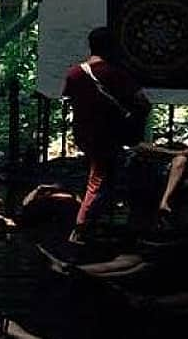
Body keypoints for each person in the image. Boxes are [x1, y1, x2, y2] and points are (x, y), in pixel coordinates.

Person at [62, 27, 150, 243]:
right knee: (99, 180)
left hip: (84, 134)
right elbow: (143, 103)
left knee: (101, 176)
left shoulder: (74, 73)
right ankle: (81, 228)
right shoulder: (115, 74)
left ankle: (92, 224)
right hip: (108, 135)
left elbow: (69, 99)